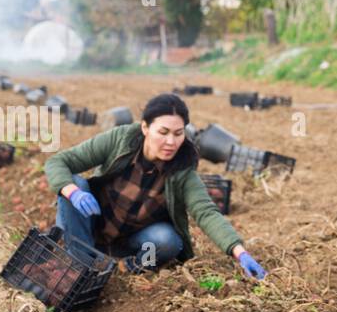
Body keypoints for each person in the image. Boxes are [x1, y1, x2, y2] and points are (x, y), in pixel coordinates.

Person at [44, 93, 266, 279]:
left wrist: (240, 252)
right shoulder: (120, 140)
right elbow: (58, 162)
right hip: (91, 226)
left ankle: (129, 267)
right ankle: (80, 266)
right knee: (74, 182)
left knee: (167, 242)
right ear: (145, 128)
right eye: (163, 132)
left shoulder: (183, 169)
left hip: (132, 242)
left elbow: (206, 212)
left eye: (178, 134)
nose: (171, 142)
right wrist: (72, 193)